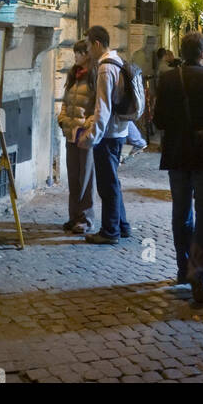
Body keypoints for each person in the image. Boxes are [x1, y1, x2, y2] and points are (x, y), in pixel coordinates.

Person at [153, 31, 203, 306]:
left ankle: (182, 267)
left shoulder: (169, 79)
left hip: (177, 153)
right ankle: (198, 271)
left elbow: (159, 120)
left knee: (181, 211)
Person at [75, 25, 130, 244]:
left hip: (109, 134)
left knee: (107, 185)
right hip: (118, 131)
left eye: (88, 45)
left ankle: (110, 231)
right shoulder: (117, 60)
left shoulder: (105, 68)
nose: (87, 51)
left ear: (97, 44)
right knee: (113, 181)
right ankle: (122, 225)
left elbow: (103, 108)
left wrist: (91, 137)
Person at [57, 39, 96, 233]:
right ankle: (73, 216)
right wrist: (62, 118)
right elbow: (65, 100)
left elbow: (98, 106)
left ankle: (86, 218)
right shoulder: (73, 74)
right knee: (73, 177)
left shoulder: (94, 76)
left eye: (79, 53)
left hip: (85, 135)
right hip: (70, 133)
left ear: (87, 54)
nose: (75, 56)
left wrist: (87, 125)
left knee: (86, 178)